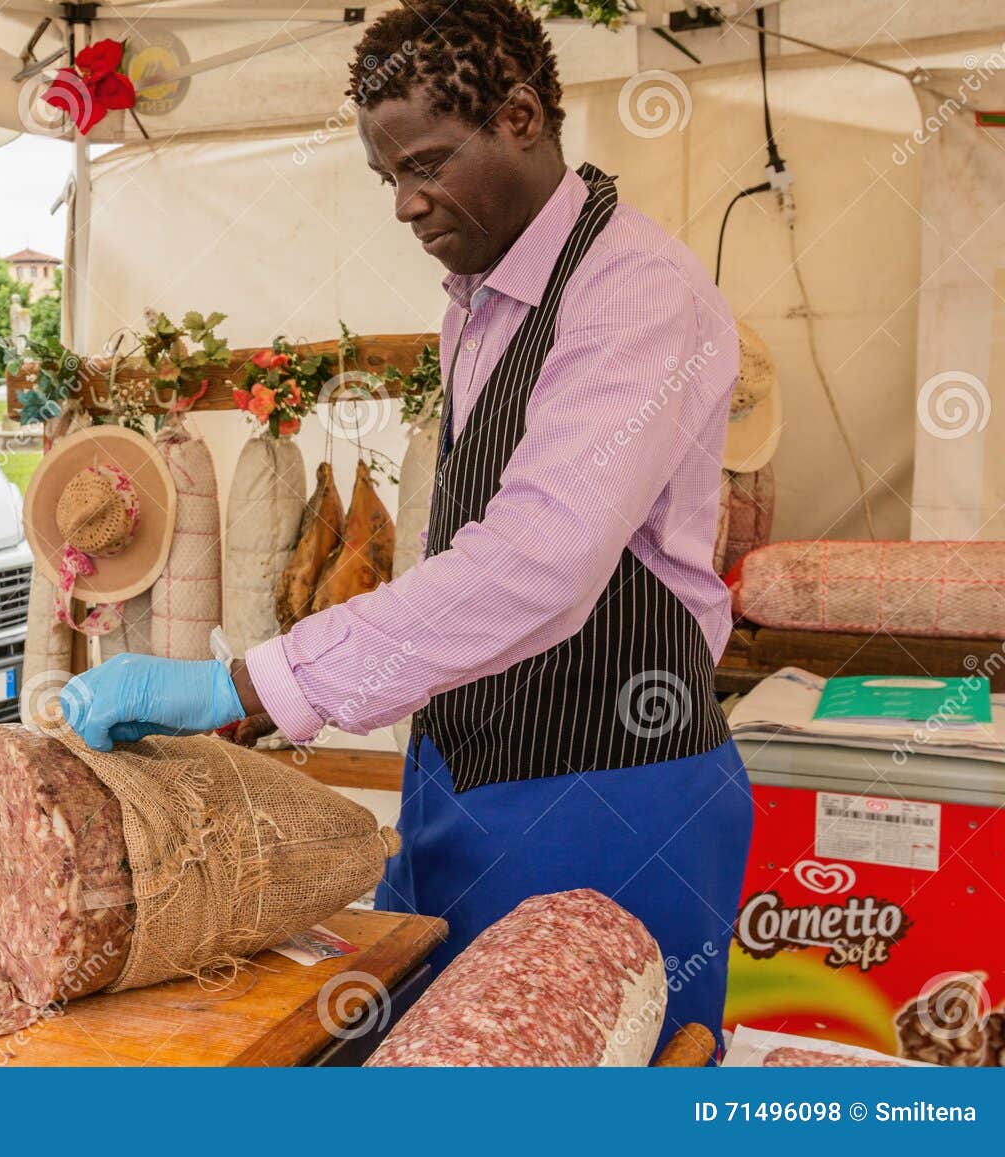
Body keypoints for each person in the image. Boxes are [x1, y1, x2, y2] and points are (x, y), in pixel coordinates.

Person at [59, 0, 750, 1052]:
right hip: (460, 772)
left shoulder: (635, 294)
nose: (404, 204)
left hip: (608, 786)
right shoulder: (478, 295)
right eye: (388, 176)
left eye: (425, 165)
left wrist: (243, 683)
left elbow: (537, 563)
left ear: (521, 117)